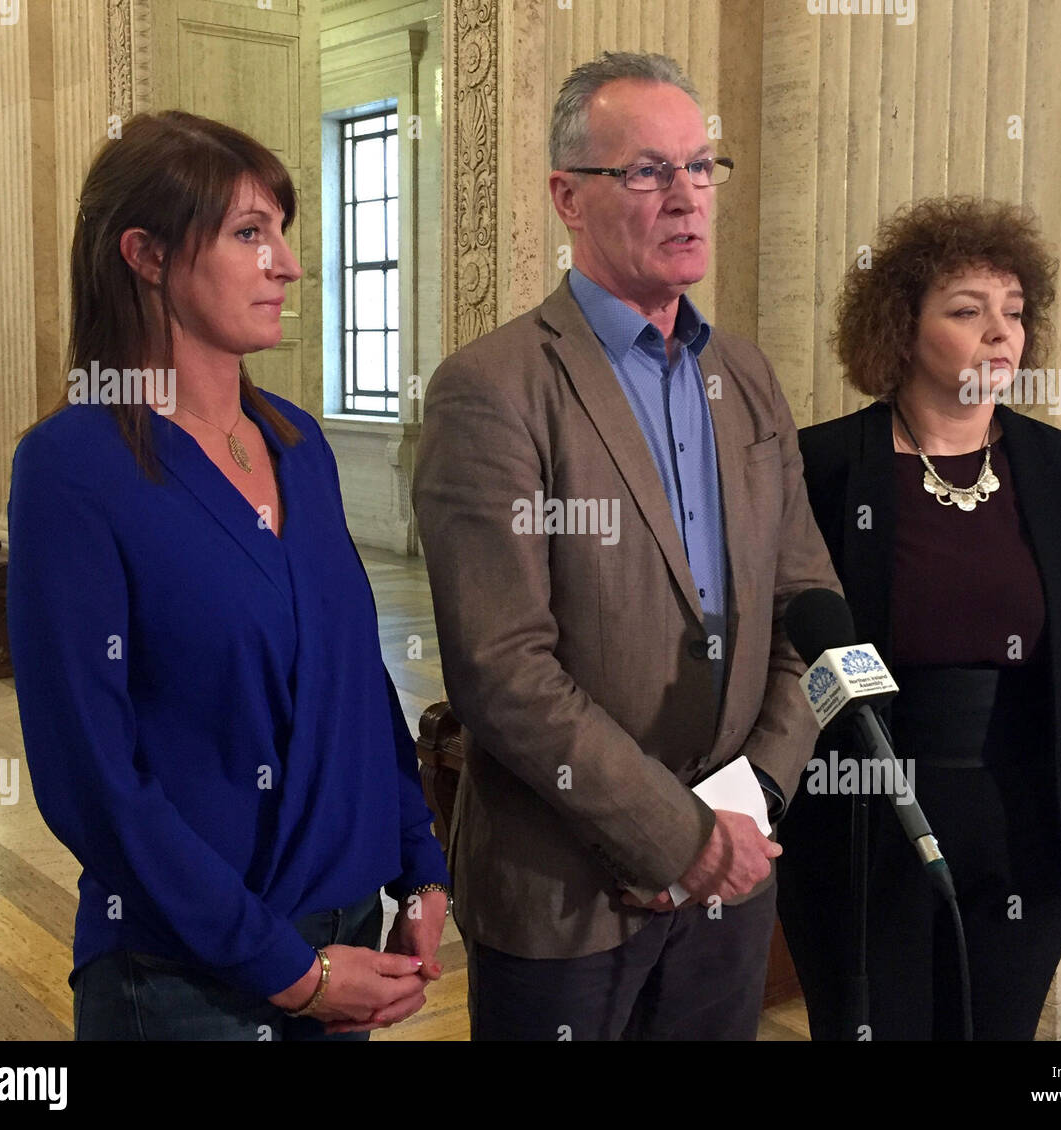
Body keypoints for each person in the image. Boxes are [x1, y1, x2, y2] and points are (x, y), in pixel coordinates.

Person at [413, 52, 839, 1041]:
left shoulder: (745, 375)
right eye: (648, 171)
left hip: (733, 880)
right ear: (567, 194)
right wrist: (674, 835)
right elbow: (502, 666)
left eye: (701, 167)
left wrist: (748, 801)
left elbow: (806, 606)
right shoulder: (494, 386)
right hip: (566, 897)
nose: (686, 196)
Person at [7, 110, 451, 1041]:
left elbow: (357, 680)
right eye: (251, 233)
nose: (288, 264)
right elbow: (93, 776)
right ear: (147, 254)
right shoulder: (73, 467)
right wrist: (287, 972)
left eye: (281, 233)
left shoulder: (297, 443)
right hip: (186, 981)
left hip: (347, 945)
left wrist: (421, 862)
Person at [776, 196, 1061, 1040]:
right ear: (902, 329)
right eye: (968, 312)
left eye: (1015, 312)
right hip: (861, 817)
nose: (1002, 334)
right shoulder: (820, 466)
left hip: (1027, 822)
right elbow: (788, 650)